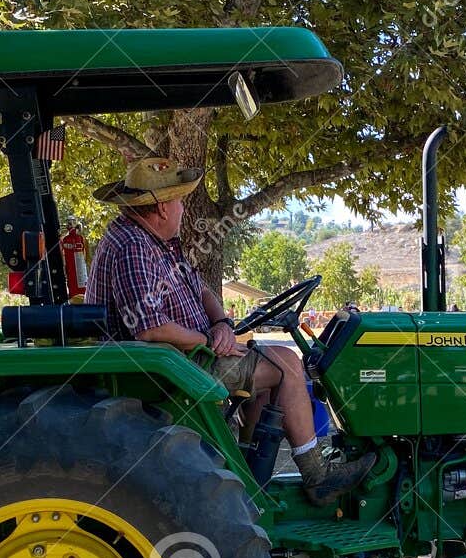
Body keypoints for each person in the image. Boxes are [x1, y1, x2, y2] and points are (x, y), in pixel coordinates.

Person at [85, 156, 375, 505]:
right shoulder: (133, 246)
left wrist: (222, 323)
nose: (181, 208)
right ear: (162, 207)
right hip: (172, 366)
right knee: (288, 365)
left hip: (189, 353)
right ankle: (317, 475)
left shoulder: (157, 243)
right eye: (178, 201)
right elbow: (150, 328)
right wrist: (209, 340)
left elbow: (201, 290)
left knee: (267, 384)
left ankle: (248, 480)